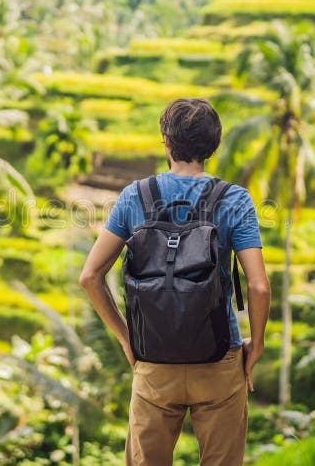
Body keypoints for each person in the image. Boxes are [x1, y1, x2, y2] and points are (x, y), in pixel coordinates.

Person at [79, 98, 271, 466]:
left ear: (165, 141)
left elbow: (90, 276)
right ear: (212, 146)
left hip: (154, 361)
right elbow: (259, 286)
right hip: (220, 358)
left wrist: (126, 338)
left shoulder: (135, 195)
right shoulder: (234, 199)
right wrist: (255, 345)